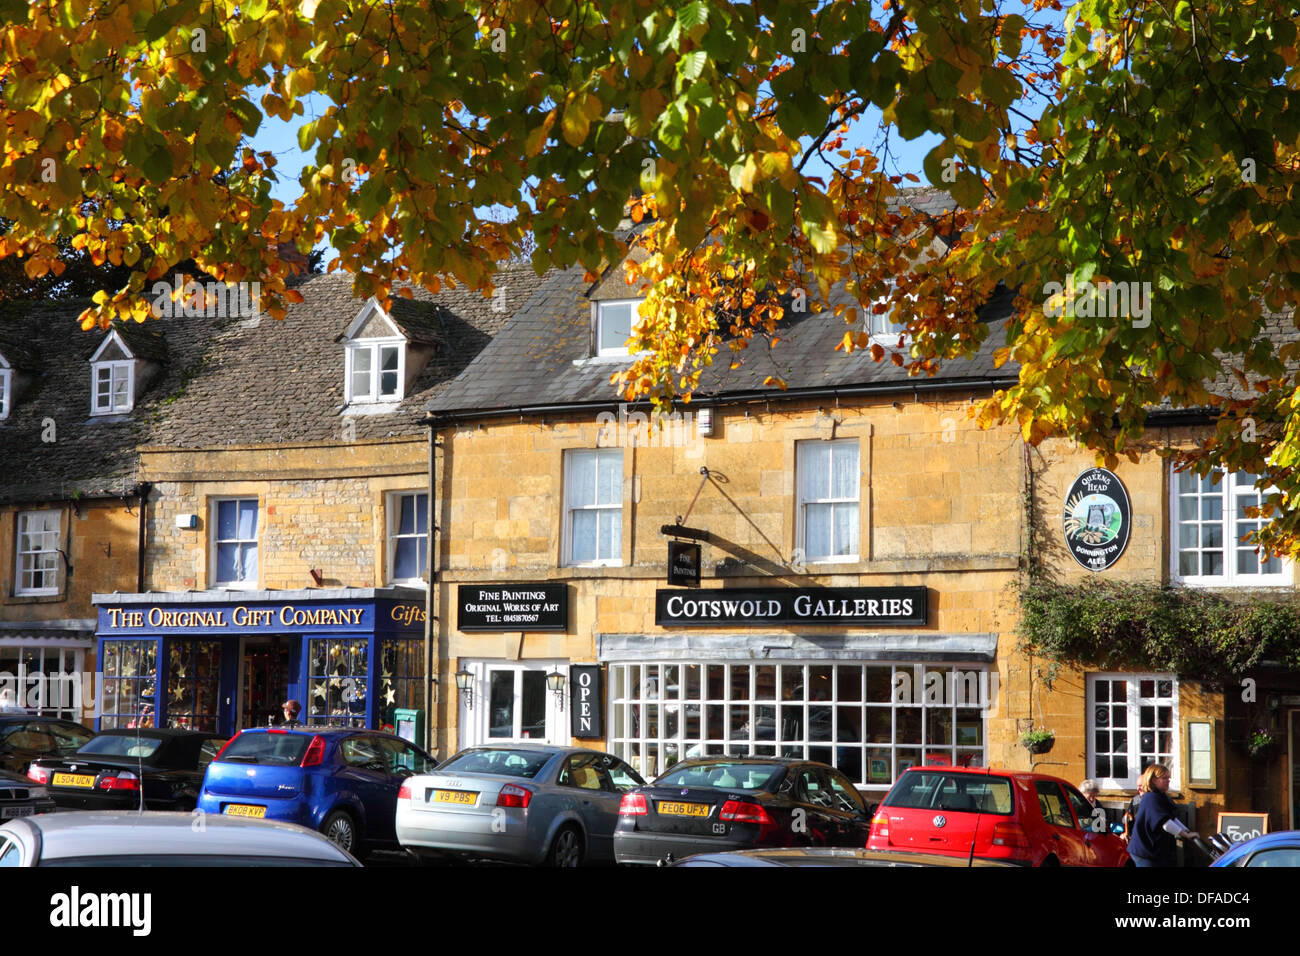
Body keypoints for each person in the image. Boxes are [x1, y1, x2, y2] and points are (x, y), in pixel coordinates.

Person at [1126, 764, 1192, 866]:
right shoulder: (1151, 798)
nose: (1168, 780)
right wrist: (1185, 834)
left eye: (1168, 778)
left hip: (1155, 851)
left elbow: (1171, 818)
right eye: (1164, 778)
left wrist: (1186, 830)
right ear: (1153, 780)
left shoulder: (1161, 796)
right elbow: (1165, 824)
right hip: (1144, 851)